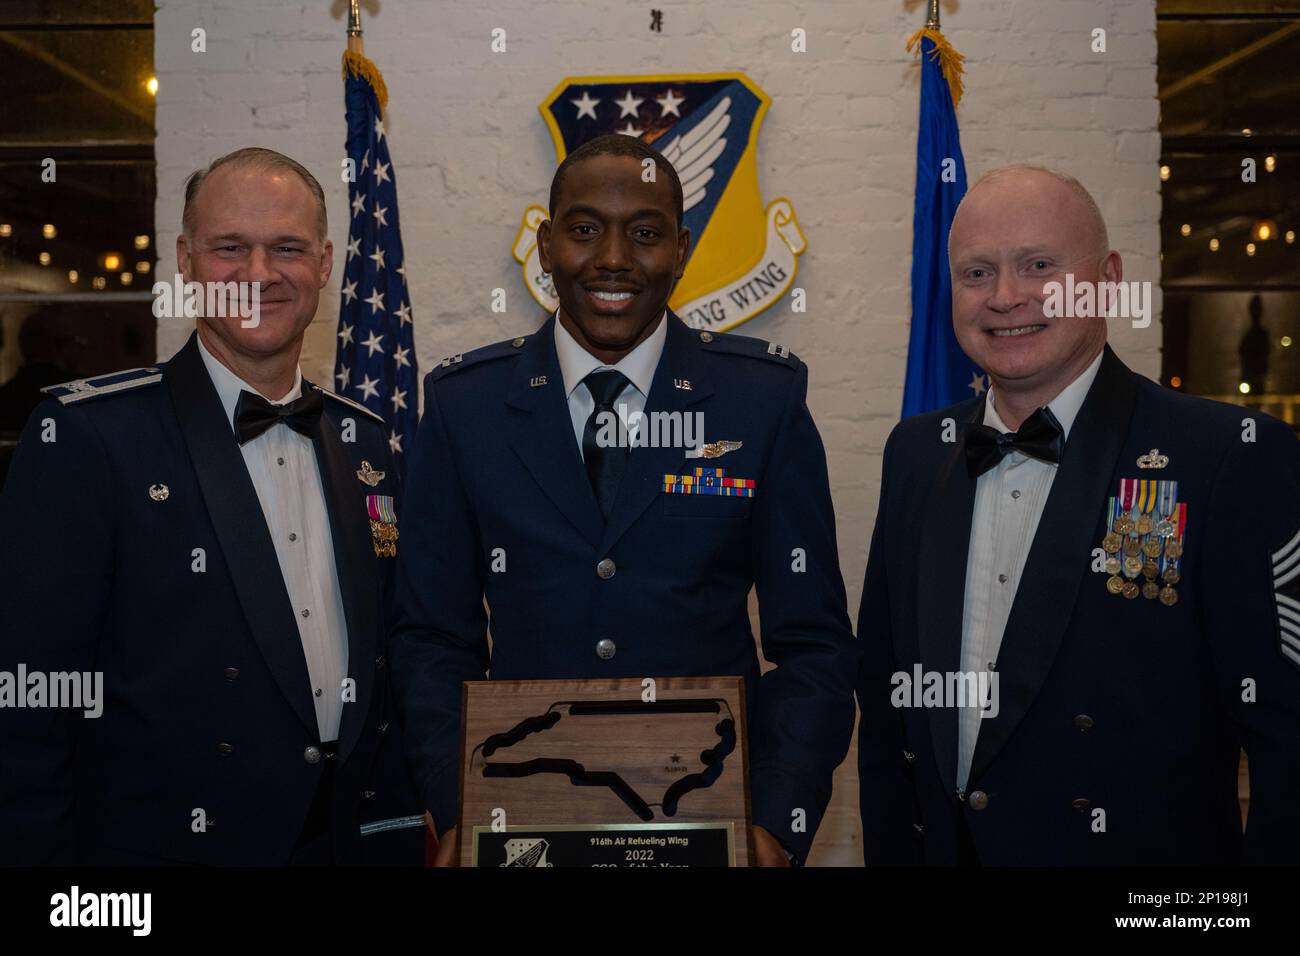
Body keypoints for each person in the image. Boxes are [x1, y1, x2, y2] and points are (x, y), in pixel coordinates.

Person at [392, 134, 858, 866]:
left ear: (682, 247)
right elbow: (430, 639)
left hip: (710, 823)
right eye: (583, 230)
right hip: (521, 829)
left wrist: (775, 821)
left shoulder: (760, 402)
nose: (612, 259)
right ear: (546, 247)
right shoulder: (466, 409)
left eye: (644, 233)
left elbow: (813, 646)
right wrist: (458, 809)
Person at [857, 164, 1300, 865]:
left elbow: (1288, 740)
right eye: (976, 273)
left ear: (1108, 277)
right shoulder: (917, 454)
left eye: (1039, 265)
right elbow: (887, 724)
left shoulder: (1224, 458)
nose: (1006, 297)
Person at [0, 147, 424, 865]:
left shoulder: (369, 444)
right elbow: (26, 707)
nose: (258, 274)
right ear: (186, 261)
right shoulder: (90, 438)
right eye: (231, 248)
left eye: (286, 248)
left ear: (323, 265)